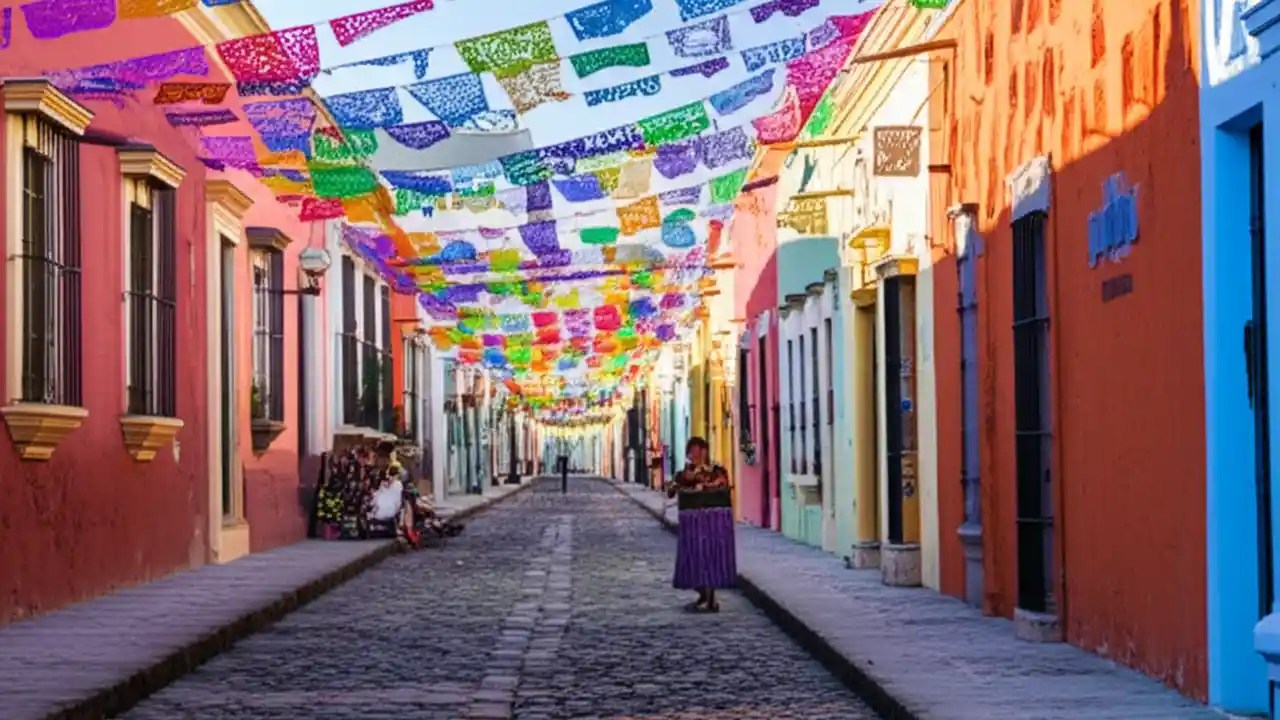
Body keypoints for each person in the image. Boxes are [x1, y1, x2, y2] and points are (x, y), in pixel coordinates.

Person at [667, 436, 736, 612]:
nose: (695, 455)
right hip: (691, 522)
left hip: (713, 520)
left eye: (698, 451)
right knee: (693, 559)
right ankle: (703, 596)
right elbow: (670, 492)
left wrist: (705, 485)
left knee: (710, 557)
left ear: (704, 451)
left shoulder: (716, 470)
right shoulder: (684, 473)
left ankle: (710, 599)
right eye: (692, 452)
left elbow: (723, 484)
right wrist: (678, 485)